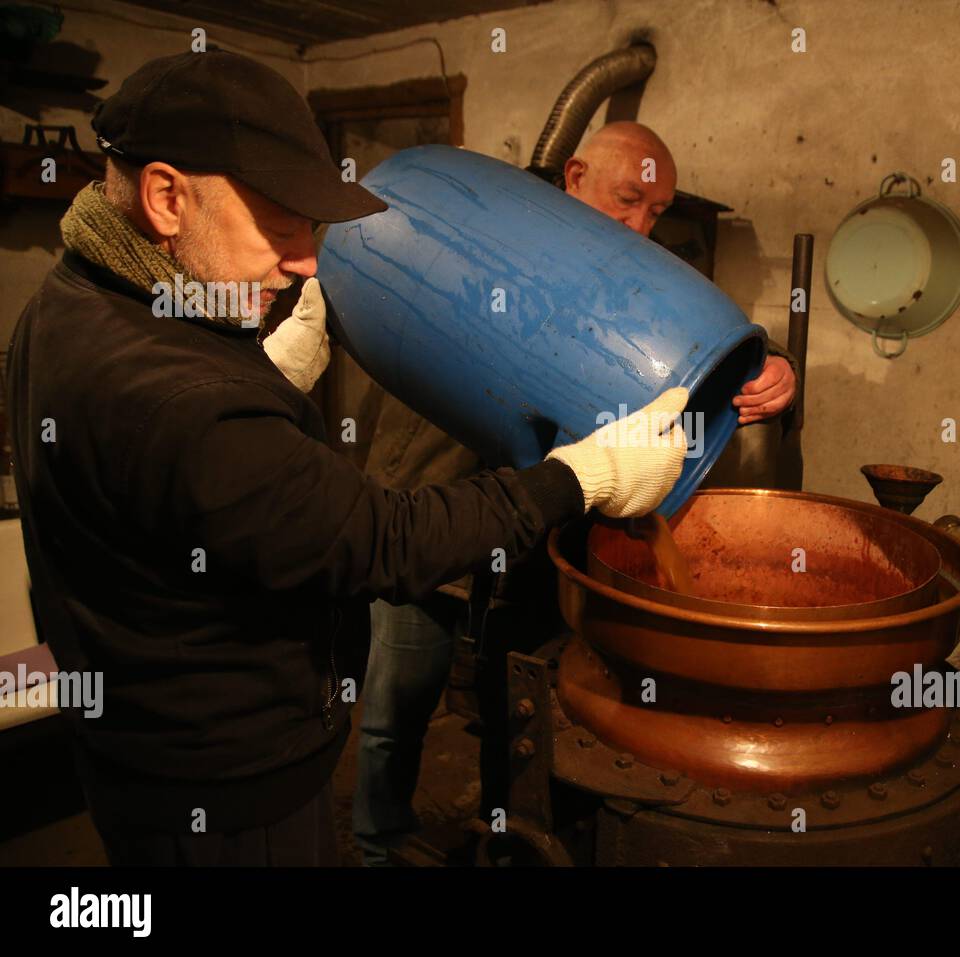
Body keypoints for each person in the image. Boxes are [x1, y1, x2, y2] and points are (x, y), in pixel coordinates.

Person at [3, 50, 688, 867]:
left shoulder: (69, 299)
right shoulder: (186, 398)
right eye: (282, 224)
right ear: (165, 196)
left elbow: (182, 442)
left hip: (136, 745)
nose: (305, 261)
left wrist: (266, 373)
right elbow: (386, 543)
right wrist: (586, 475)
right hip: (226, 786)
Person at [351, 120, 799, 863]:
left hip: (537, 521)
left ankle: (505, 839)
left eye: (656, 212)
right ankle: (376, 845)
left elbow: (681, 335)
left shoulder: (617, 266)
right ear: (574, 175)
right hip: (428, 509)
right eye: (629, 200)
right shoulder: (492, 229)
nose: (640, 225)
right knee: (397, 703)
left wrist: (773, 360)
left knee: (515, 707)